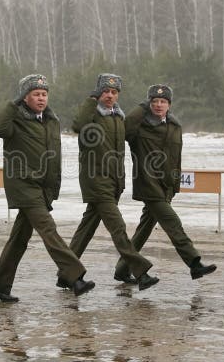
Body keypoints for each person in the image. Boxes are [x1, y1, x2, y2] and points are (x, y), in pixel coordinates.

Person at [0, 74, 95, 302]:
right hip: (23, 185)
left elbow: (54, 155)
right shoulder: (15, 118)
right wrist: (12, 104)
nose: (41, 98)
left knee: (18, 240)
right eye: (35, 94)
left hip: (43, 187)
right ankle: (75, 277)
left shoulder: (51, 119)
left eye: (44, 94)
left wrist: (53, 186)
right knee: (48, 229)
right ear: (24, 97)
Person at [113, 84, 218, 283]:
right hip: (148, 185)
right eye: (154, 101)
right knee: (173, 224)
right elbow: (125, 128)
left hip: (166, 187)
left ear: (169, 104)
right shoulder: (139, 126)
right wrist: (143, 106)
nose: (158, 105)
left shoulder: (175, 126)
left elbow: (176, 159)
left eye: (163, 101)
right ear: (148, 104)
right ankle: (194, 263)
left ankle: (122, 269)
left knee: (143, 230)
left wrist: (174, 186)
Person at [65, 74, 159, 291]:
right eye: (105, 91)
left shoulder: (117, 117)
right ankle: (141, 272)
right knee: (118, 228)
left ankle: (66, 273)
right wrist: (91, 99)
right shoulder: (92, 115)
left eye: (114, 92)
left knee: (86, 229)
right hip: (96, 182)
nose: (109, 96)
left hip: (114, 182)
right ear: (98, 93)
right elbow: (77, 125)